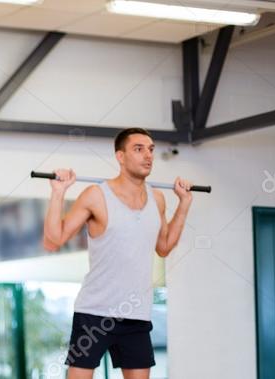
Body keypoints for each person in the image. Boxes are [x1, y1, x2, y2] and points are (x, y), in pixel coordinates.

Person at [42, 128, 194, 379]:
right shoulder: (96, 196)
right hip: (95, 311)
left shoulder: (157, 199)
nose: (148, 155)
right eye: (138, 149)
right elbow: (52, 240)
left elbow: (164, 246)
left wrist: (184, 205)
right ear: (120, 157)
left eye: (151, 149)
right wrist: (58, 193)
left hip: (136, 314)